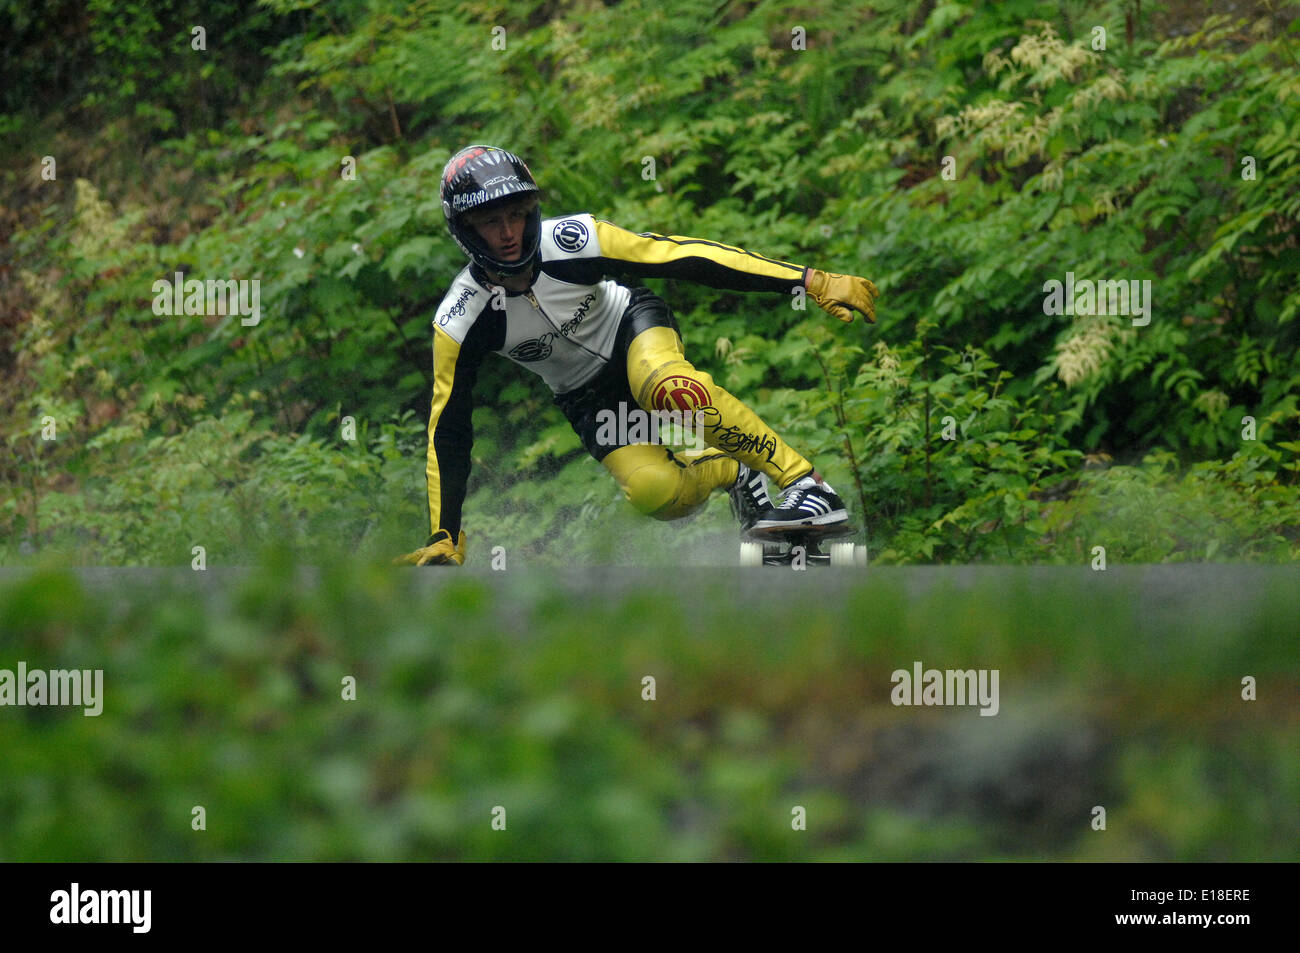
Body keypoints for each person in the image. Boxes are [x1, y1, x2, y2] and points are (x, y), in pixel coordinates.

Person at [399, 144, 878, 566]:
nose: (508, 232)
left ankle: (807, 486)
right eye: (490, 222)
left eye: (518, 214)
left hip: (631, 328)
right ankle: (736, 470)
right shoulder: (460, 319)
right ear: (464, 230)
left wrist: (806, 279)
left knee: (666, 385)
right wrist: (445, 534)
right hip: (585, 396)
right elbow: (450, 428)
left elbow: (684, 257)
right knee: (657, 495)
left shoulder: (574, 240)